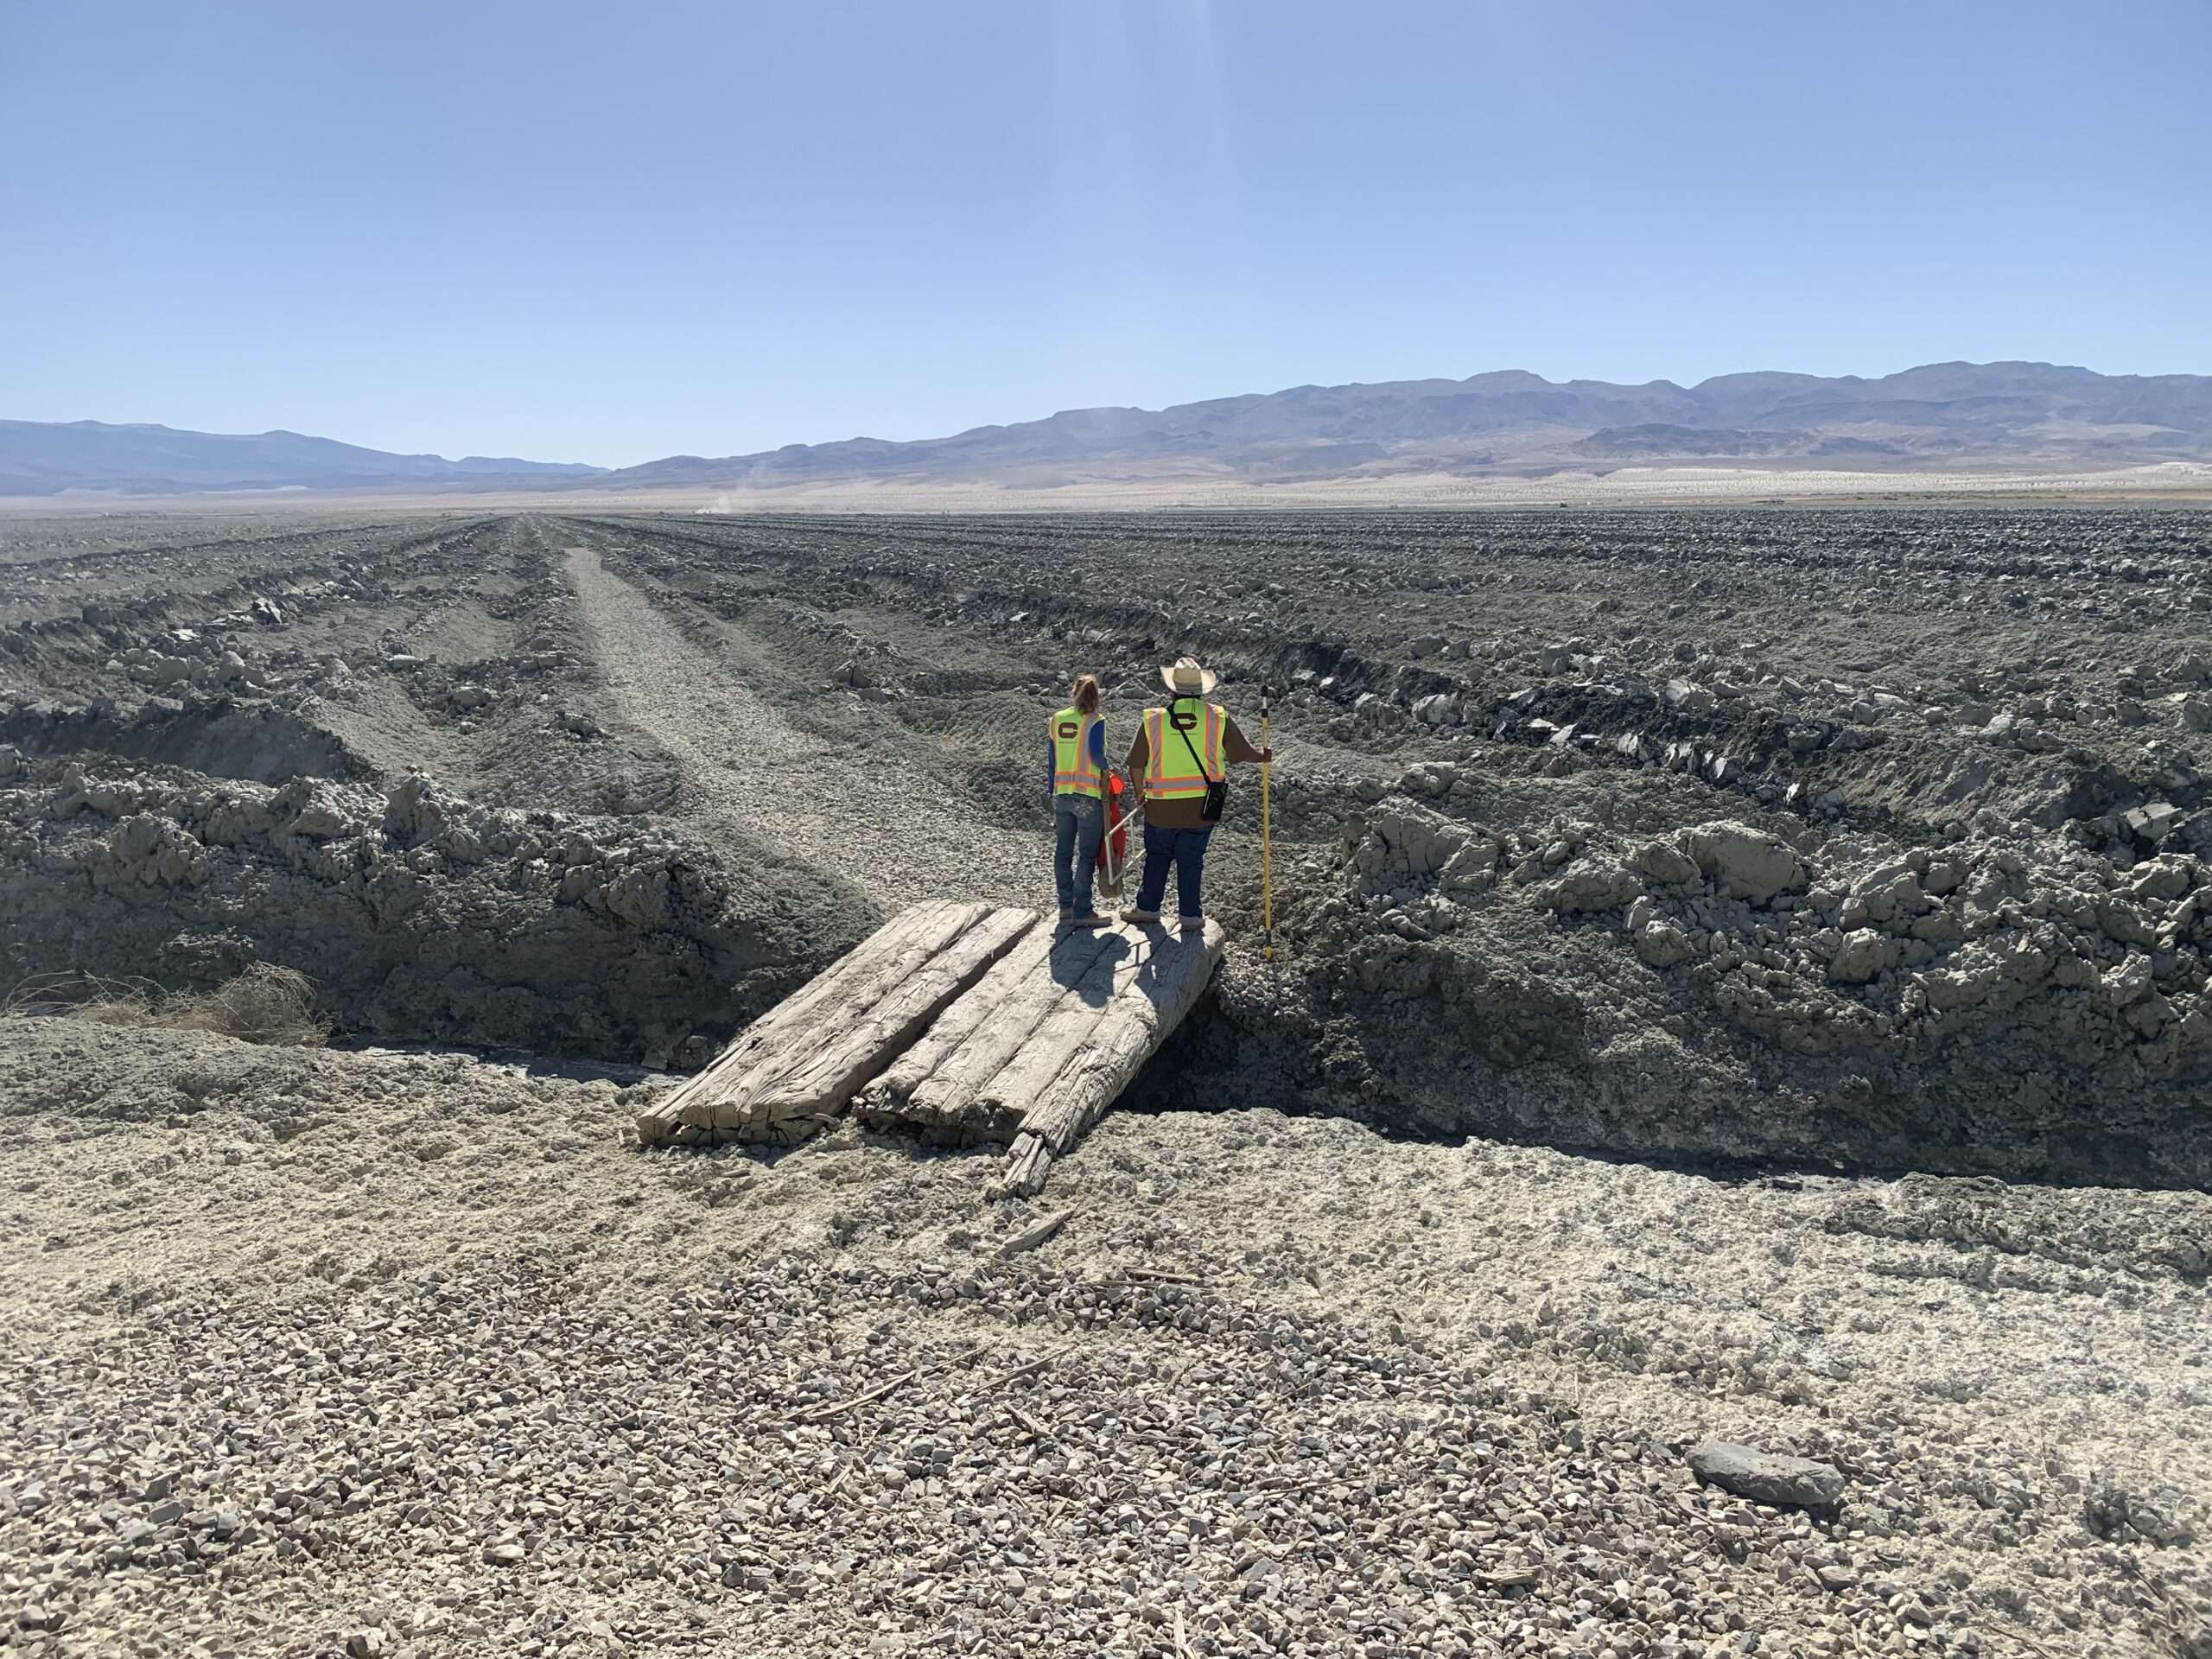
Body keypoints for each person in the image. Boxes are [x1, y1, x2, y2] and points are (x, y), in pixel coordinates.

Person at [1121, 656, 1271, 930]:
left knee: (1157, 857)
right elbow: (1241, 754)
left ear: (1172, 689)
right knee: (1191, 861)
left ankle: (1148, 908)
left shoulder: (1153, 720)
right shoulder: (1217, 717)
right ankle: (1190, 915)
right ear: (1202, 689)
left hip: (1161, 808)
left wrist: (1140, 793)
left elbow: (1135, 763)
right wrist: (1262, 756)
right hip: (1203, 808)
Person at [1046, 673, 1112, 926]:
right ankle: (1082, 909)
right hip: (1086, 796)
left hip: (1061, 793)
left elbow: (1052, 760)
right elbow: (1096, 754)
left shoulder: (1057, 720)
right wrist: (1107, 769)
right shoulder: (1096, 721)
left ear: (1073, 692)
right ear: (1097, 697)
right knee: (1086, 854)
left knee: (1062, 851)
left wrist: (1051, 789)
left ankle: (1064, 906)